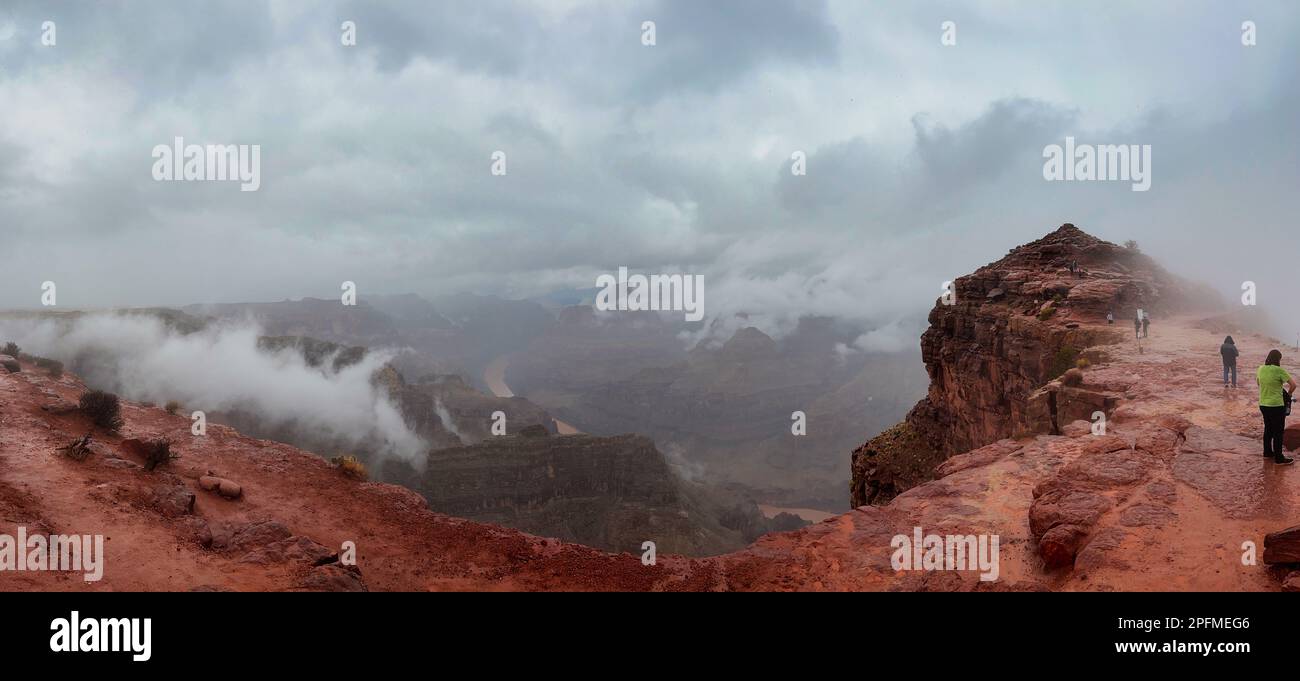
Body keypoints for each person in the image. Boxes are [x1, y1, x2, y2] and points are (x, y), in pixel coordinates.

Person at [1257, 349, 1296, 465]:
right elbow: (1293, 385)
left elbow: (1258, 383)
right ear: (1278, 359)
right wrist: (1288, 395)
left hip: (1263, 404)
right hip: (1276, 405)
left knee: (1268, 429)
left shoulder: (1260, 369)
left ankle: (1267, 453)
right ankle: (1279, 458)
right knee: (1278, 432)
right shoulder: (1279, 370)